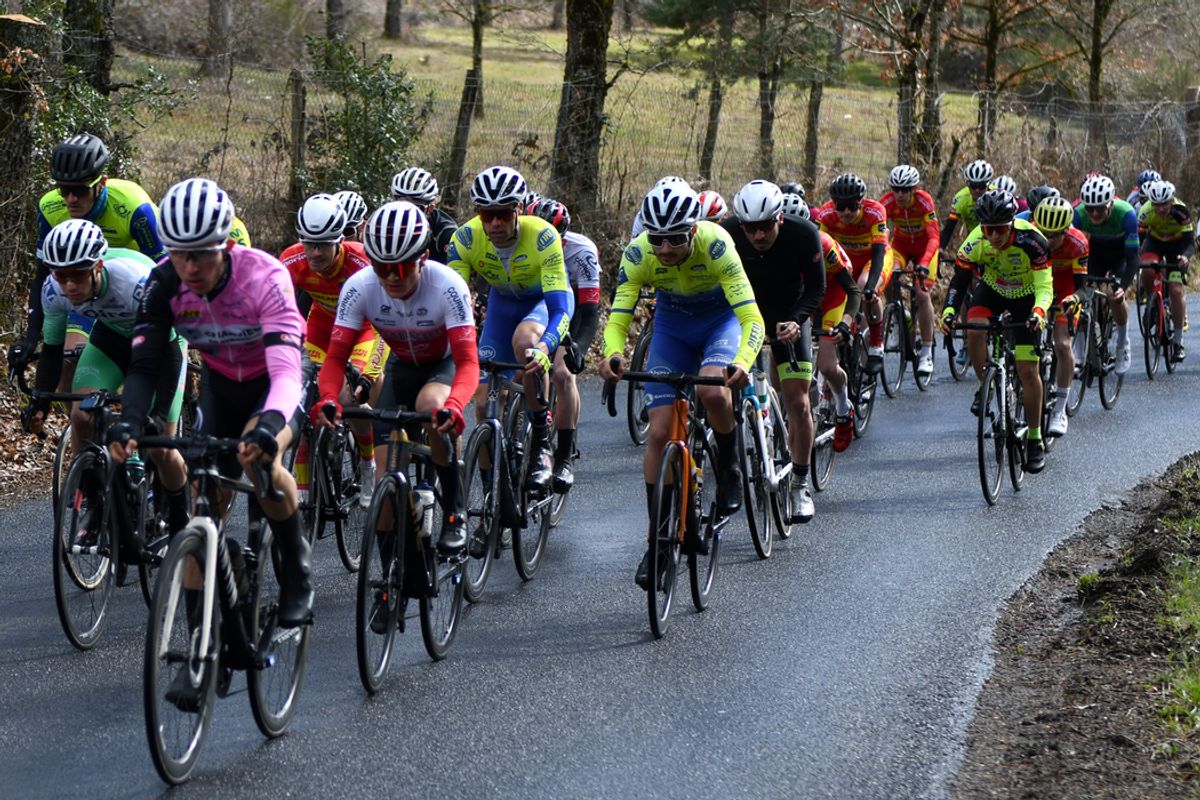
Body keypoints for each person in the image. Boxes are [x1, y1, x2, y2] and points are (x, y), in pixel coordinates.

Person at [107, 178, 312, 638]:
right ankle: (200, 644)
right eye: (180, 252)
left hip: (274, 383)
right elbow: (143, 366)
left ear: (226, 245)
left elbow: (284, 374)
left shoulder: (264, 276)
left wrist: (270, 429)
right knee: (204, 508)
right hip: (222, 383)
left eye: (202, 253)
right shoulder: (161, 283)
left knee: (260, 461)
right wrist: (130, 422)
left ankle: (297, 575)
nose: (190, 265)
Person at [600, 181, 764, 589]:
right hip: (673, 328)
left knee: (711, 390)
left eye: (675, 238)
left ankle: (728, 467)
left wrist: (743, 362)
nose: (666, 249)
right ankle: (657, 539)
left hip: (719, 323)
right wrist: (613, 353)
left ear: (693, 230)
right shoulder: (639, 253)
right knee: (659, 431)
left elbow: (752, 319)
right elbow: (619, 315)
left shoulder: (717, 244)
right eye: (659, 239)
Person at [315, 201, 479, 553]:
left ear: (421, 259)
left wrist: (454, 405)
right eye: (382, 267)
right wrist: (329, 398)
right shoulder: (359, 287)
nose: (391, 277)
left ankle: (455, 511)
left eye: (402, 268)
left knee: (431, 406)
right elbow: (335, 358)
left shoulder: (447, 285)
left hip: (442, 365)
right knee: (386, 482)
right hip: (401, 368)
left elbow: (468, 362)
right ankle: (390, 584)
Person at [27, 219, 191, 546]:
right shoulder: (53, 289)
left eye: (78, 274)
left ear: (98, 266)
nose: (69, 285)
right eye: (62, 275)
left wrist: (158, 414)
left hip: (162, 345)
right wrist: (40, 402)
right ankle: (94, 509)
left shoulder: (135, 282)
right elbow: (53, 349)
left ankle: (179, 518)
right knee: (81, 416)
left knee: (161, 445)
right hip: (111, 339)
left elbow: (169, 352)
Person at [445, 165, 571, 490]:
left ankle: (542, 444)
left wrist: (545, 349)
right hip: (502, 307)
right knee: (484, 405)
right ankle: (491, 497)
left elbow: (560, 306)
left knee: (526, 344)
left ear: (518, 210)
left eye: (503, 213)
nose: (496, 223)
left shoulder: (543, 236)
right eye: (487, 215)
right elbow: (455, 305)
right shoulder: (465, 238)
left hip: (540, 303)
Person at [9, 134, 167, 380]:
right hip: (83, 286)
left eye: (80, 191)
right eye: (64, 189)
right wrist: (31, 338)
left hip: (132, 289)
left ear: (101, 183)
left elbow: (164, 270)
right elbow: (43, 276)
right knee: (69, 359)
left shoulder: (133, 206)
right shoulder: (50, 208)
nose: (70, 199)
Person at [724, 180, 824, 522]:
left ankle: (799, 483)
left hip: (789, 313)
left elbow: (817, 286)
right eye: (750, 228)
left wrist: (797, 320)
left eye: (765, 227)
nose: (758, 236)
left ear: (779, 218)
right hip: (744, 314)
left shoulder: (803, 233)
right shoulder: (728, 233)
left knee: (798, 401)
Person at [280, 194, 386, 506]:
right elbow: (279, 306)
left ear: (340, 240)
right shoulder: (293, 259)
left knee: (349, 397)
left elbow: (385, 311)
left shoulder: (362, 262)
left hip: (365, 328)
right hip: (322, 328)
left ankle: (367, 462)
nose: (314, 252)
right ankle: (302, 485)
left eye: (323, 244)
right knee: (301, 394)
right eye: (308, 243)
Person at [940, 189, 1053, 473]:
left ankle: (1035, 437)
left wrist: (1038, 313)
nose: (994, 237)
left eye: (1000, 230)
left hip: (1027, 297)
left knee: (1028, 370)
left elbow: (1044, 287)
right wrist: (950, 311)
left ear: (1012, 223)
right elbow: (959, 282)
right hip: (992, 290)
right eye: (988, 230)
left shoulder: (1032, 241)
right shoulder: (975, 241)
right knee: (975, 330)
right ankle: (985, 384)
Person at [527, 197, 601, 492]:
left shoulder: (581, 252)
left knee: (561, 373)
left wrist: (579, 347)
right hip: (533, 310)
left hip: (568, 312)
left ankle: (564, 455)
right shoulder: (519, 242)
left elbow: (589, 309)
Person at [814, 173, 892, 373]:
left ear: (861, 203)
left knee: (866, 286)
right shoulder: (825, 215)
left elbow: (878, 255)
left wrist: (871, 289)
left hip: (872, 260)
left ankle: (876, 345)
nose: (846, 212)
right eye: (840, 206)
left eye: (852, 206)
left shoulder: (875, 213)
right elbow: (818, 252)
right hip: (844, 262)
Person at [1031, 196, 1088, 437]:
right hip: (1037, 284)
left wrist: (1074, 300)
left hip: (1066, 290)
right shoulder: (1030, 236)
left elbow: (1083, 288)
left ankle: (1060, 410)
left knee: (1063, 345)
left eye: (1055, 235)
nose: (1049, 240)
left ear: (1067, 230)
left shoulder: (1078, 242)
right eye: (1045, 233)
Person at [1071, 174, 1138, 375]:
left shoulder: (1126, 213)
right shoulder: (1078, 214)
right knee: (1082, 295)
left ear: (1110, 204)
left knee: (1113, 293)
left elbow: (1134, 258)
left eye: (1099, 208)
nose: (1094, 214)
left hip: (1121, 256)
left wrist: (1123, 286)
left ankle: (1122, 342)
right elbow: (1071, 248)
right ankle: (1081, 353)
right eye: (1090, 208)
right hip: (1096, 253)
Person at [880, 164, 940, 376]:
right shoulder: (886, 202)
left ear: (914, 189)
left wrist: (924, 263)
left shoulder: (924, 202)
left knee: (922, 295)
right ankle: (897, 315)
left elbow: (934, 237)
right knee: (885, 276)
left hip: (925, 249)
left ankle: (926, 350)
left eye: (905, 190)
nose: (900, 194)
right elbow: (878, 232)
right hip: (902, 247)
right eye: (896, 189)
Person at [1137, 180, 1194, 361]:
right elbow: (1140, 241)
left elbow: (1189, 243)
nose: (1161, 209)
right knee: (1146, 268)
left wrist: (1185, 257)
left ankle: (1178, 342)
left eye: (1165, 204)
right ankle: (1151, 302)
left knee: (1176, 291)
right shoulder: (1145, 212)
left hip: (1177, 247)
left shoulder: (1181, 212)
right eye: (1157, 205)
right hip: (1155, 243)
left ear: (1172, 200)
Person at [391, 167, 458, 257]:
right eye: (401, 206)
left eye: (417, 208)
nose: (407, 213)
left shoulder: (445, 231)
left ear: (430, 208)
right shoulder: (384, 222)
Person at [938, 159, 994, 261]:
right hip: (973, 239)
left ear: (988, 184)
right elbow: (949, 229)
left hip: (994, 238)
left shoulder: (997, 195)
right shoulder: (961, 198)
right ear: (967, 184)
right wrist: (940, 249)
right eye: (973, 186)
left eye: (981, 186)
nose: (977, 190)